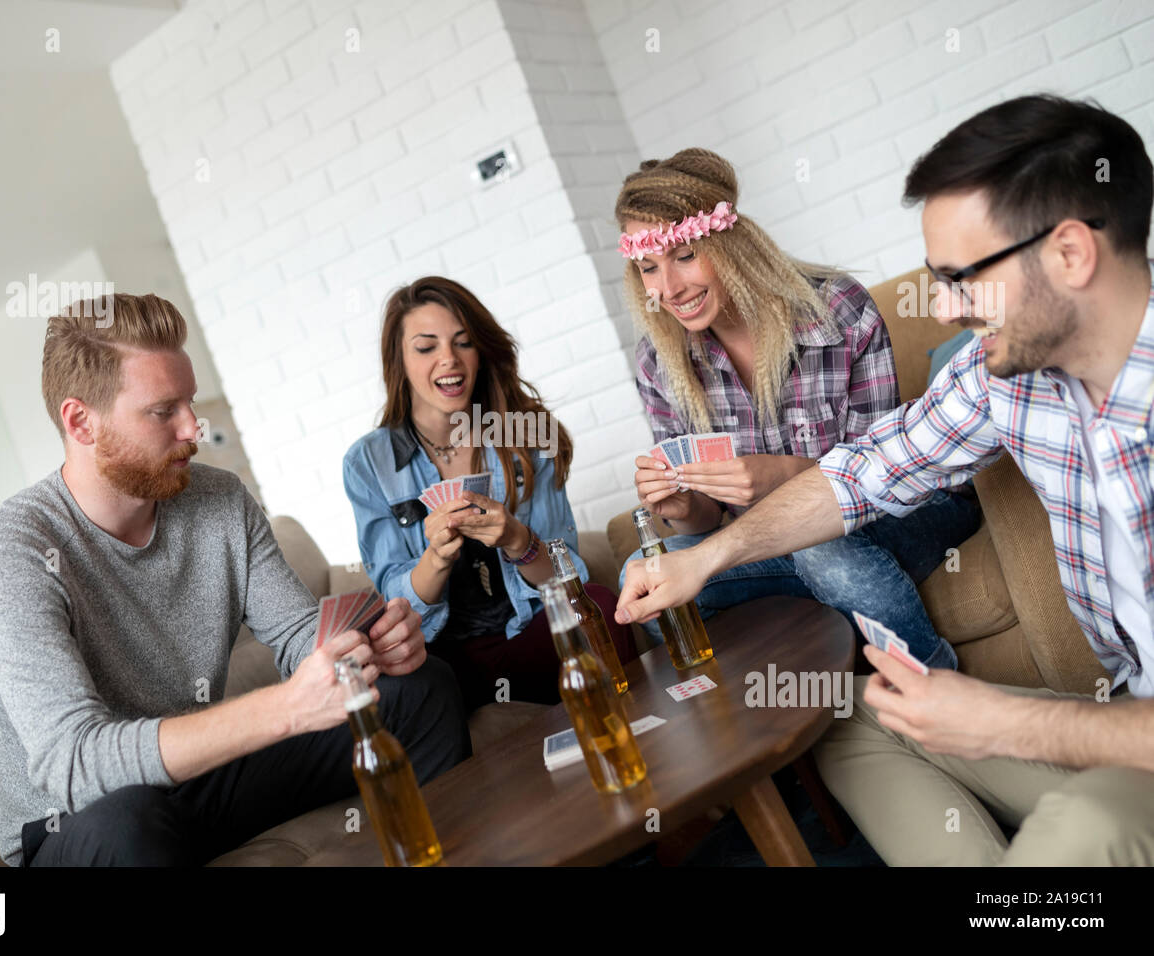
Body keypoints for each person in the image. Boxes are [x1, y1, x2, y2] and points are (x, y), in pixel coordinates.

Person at [617, 95, 1154, 864]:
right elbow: (865, 472)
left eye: (960, 276)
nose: (937, 311)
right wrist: (702, 555)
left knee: (1073, 838)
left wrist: (999, 721)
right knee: (863, 722)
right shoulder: (1006, 378)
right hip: (1130, 730)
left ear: (1069, 254)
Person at [0, 293, 469, 867]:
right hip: (80, 825)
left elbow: (301, 635)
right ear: (81, 421)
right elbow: (77, 765)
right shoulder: (12, 551)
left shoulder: (219, 499)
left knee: (418, 692)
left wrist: (361, 647)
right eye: (162, 411)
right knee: (127, 824)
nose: (192, 429)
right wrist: (287, 708)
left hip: (203, 782)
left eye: (190, 402)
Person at [615, 148, 980, 669]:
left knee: (822, 551)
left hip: (900, 513)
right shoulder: (659, 361)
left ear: (732, 243)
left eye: (686, 255)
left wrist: (781, 477)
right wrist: (680, 508)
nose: (669, 288)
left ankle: (937, 681)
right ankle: (751, 729)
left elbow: (886, 474)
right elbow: (706, 520)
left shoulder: (837, 310)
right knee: (643, 570)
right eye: (649, 267)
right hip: (770, 542)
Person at [342, 276, 635, 710]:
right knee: (398, 685)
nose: (449, 359)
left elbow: (569, 577)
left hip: (532, 632)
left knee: (599, 607)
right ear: (399, 362)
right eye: (426, 347)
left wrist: (519, 540)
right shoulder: (368, 463)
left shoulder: (527, 433)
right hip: (448, 659)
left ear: (480, 352)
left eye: (463, 343)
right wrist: (436, 557)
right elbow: (395, 607)